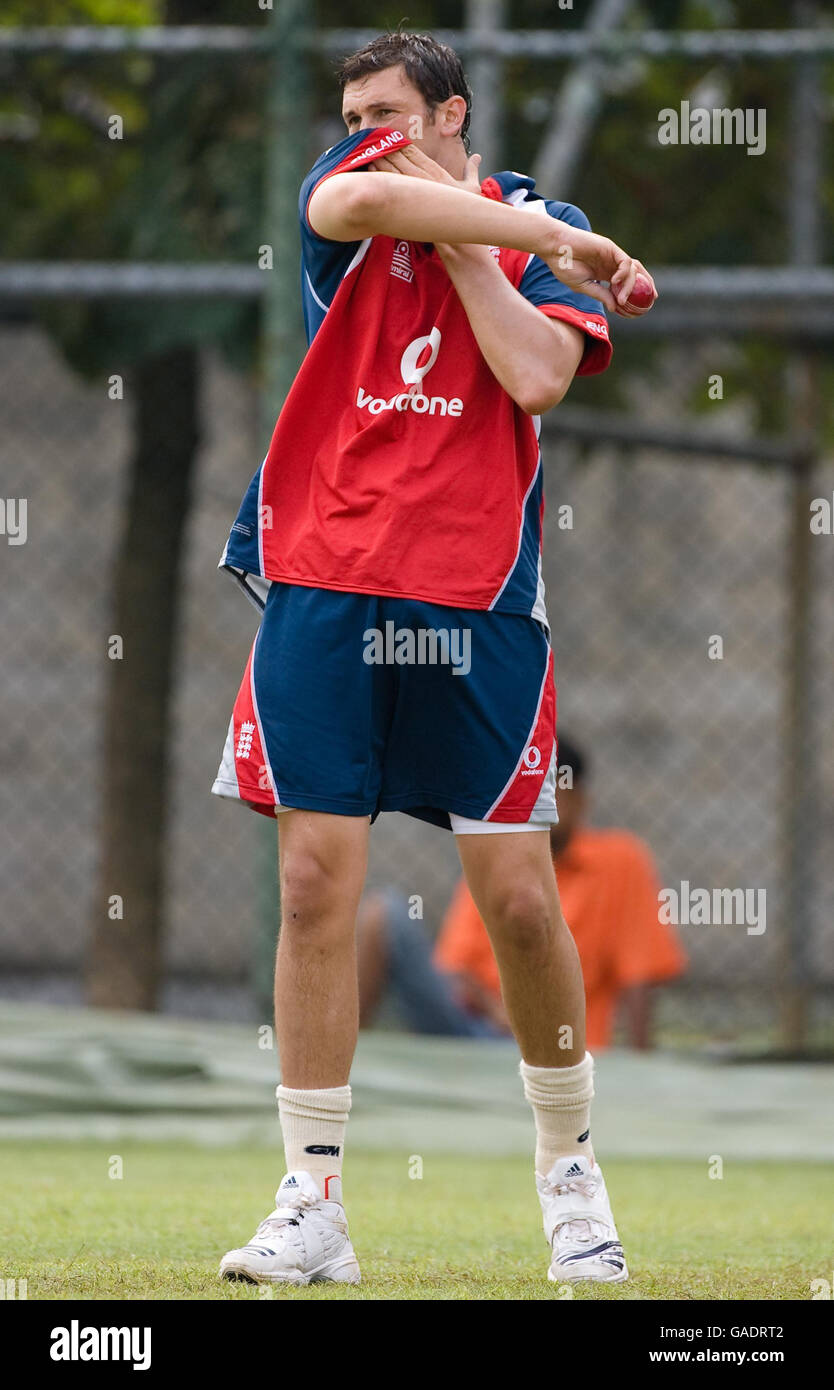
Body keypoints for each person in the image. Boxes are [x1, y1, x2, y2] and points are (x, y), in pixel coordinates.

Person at [211, 30, 657, 1288]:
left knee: (519, 896)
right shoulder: (346, 205)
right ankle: (312, 1199)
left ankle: (571, 1180)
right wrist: (555, 246)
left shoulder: (528, 224)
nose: (367, 132)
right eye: (352, 111)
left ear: (454, 112)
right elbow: (353, 194)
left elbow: (533, 373)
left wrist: (499, 236)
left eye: (392, 111)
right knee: (312, 885)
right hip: (325, 583)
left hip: (481, 598)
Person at [425, 737, 687, 1049]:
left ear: (579, 798)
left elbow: (639, 974)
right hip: (482, 1033)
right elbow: (455, 965)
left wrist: (639, 1072)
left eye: (551, 787)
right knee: (385, 915)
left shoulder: (621, 861)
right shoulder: (496, 855)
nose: (538, 800)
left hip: (561, 1043)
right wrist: (500, 1014)